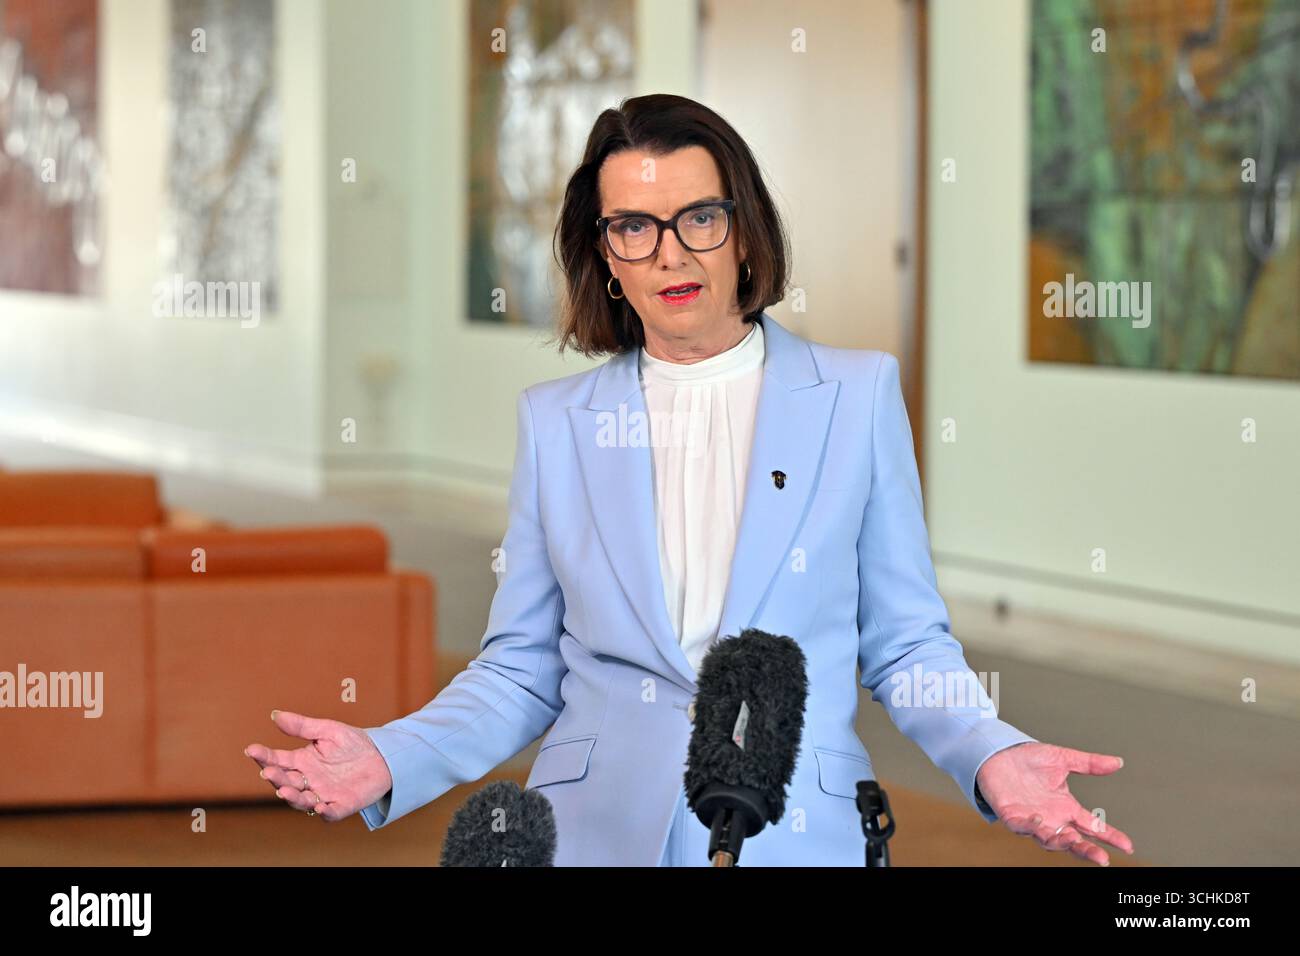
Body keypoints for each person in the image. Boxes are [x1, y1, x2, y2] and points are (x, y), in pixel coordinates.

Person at [246, 93, 1135, 867]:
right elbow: (522, 668)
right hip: (597, 830)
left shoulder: (857, 398)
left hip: (793, 825)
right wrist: (393, 754)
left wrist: (991, 752)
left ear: (743, 232)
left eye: (697, 219)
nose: (670, 253)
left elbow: (904, 644)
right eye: (633, 227)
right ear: (604, 257)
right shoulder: (555, 423)